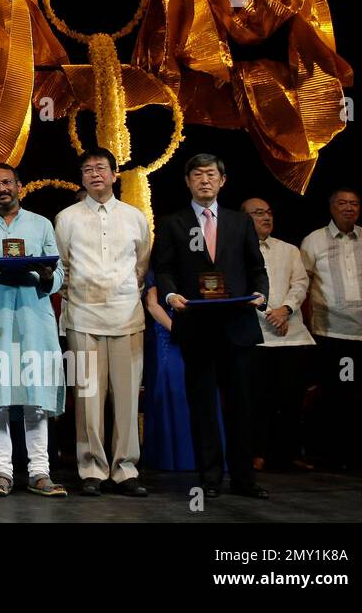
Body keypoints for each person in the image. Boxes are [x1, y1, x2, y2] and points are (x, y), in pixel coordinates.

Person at [152, 153, 269, 499]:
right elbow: (164, 268)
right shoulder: (172, 222)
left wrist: (261, 293)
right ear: (187, 181)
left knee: (241, 406)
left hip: (237, 324)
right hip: (197, 326)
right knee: (203, 406)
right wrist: (170, 295)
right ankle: (210, 479)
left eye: (211, 174)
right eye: (198, 175)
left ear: (222, 181)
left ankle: (244, 479)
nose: (205, 180)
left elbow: (257, 267)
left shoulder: (240, 222)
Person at [0, 163, 67, 498]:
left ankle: (39, 472)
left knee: (37, 398)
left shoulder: (41, 224)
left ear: (19, 185)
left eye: (7, 182)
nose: (2, 189)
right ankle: (1, 472)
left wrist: (46, 273)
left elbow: (58, 274)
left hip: (35, 321)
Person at [54, 148, 151, 497]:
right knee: (87, 398)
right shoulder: (66, 218)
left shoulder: (134, 217)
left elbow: (141, 266)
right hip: (82, 317)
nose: (95, 174)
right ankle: (91, 468)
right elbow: (62, 267)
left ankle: (125, 469)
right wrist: (79, 295)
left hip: (127, 317)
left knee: (126, 398)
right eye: (88, 169)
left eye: (101, 168)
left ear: (114, 174)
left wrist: (122, 292)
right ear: (81, 177)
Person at [300, 187, 362, 470]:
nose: (349, 208)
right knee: (334, 395)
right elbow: (303, 280)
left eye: (354, 203)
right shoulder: (313, 240)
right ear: (331, 207)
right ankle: (332, 456)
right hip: (332, 332)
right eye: (342, 203)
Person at [240, 198, 313, 472]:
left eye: (269, 212)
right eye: (258, 213)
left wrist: (286, 309)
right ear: (244, 219)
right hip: (257, 333)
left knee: (290, 398)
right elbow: (240, 287)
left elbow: (300, 284)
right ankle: (257, 452)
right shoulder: (236, 249)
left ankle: (288, 453)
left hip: (291, 333)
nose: (266, 217)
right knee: (257, 397)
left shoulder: (289, 250)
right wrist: (270, 313)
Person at [142, 273, 214, 471]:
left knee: (200, 394)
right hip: (167, 337)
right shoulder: (156, 268)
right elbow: (152, 305)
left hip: (197, 335)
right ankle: (172, 457)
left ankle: (204, 457)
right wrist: (179, 331)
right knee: (172, 392)